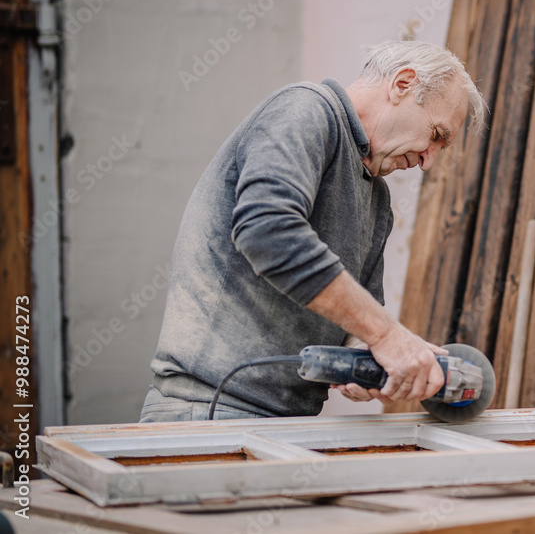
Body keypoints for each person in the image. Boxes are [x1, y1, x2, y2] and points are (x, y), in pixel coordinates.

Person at [139, 40, 487, 422]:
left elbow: (356, 317)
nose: (428, 161)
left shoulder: (375, 197)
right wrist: (387, 337)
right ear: (402, 84)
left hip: (288, 423)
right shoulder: (305, 109)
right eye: (436, 135)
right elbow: (269, 233)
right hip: (208, 410)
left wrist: (372, 353)